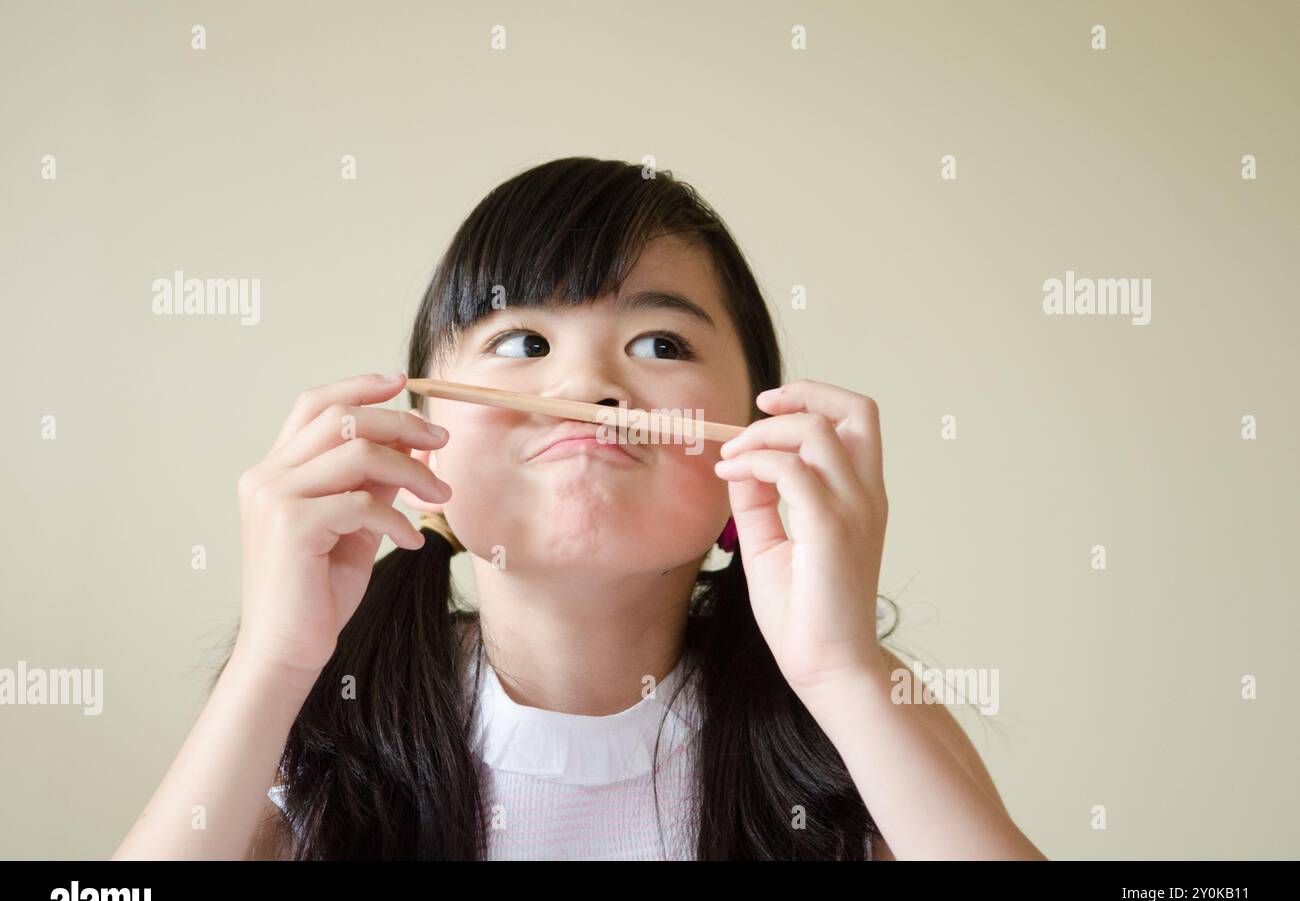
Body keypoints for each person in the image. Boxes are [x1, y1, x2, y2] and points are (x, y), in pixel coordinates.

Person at [112, 156, 1044, 860]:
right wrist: (272, 664)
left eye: (659, 340)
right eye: (521, 339)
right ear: (419, 437)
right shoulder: (323, 730)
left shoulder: (844, 722)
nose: (591, 386)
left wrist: (842, 670)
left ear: (752, 450)